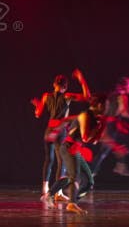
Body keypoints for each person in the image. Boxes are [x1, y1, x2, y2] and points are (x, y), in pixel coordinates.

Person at [42, 93, 107, 214]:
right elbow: (86, 138)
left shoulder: (95, 118)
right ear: (100, 105)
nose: (107, 108)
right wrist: (101, 127)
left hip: (76, 149)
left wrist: (102, 127)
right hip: (69, 148)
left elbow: (94, 141)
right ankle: (71, 203)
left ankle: (53, 195)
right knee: (75, 176)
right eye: (106, 105)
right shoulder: (86, 115)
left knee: (88, 181)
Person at [31, 69, 90, 199]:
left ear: (54, 84)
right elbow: (87, 97)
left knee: (49, 159)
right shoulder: (67, 96)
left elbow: (37, 114)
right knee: (61, 161)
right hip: (60, 131)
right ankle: (57, 193)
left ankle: (44, 188)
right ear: (65, 86)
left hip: (48, 130)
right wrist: (81, 79)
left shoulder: (46, 96)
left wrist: (37, 106)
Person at [90, 77, 129, 177]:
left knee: (104, 152)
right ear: (124, 87)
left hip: (105, 124)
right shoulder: (122, 97)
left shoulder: (111, 94)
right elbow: (125, 113)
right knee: (110, 149)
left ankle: (93, 173)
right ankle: (92, 174)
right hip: (110, 126)